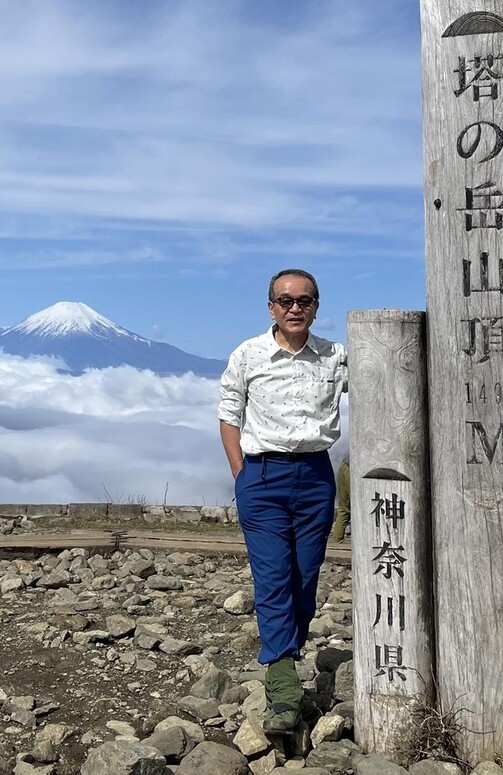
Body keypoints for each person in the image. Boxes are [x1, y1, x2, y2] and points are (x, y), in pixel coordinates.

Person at [219, 268, 346, 734]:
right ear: (271, 306)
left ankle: (287, 654)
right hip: (263, 476)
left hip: (315, 476)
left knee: (305, 578)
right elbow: (228, 414)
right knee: (273, 577)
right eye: (286, 300)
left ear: (316, 306)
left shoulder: (335, 357)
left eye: (305, 301)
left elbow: (386, 378)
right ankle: (283, 690)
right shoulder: (248, 354)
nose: (296, 307)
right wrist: (242, 476)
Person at [330, 454, 350, 543]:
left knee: (344, 508)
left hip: (345, 464)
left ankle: (336, 540)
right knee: (359, 508)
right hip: (354, 466)